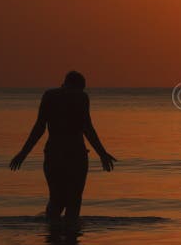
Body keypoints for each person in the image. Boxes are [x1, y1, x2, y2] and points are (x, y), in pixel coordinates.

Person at [10, 71, 116, 223]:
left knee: (56, 198)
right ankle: (70, 238)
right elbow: (87, 128)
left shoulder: (49, 95)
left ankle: (53, 237)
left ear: (64, 83)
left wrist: (23, 153)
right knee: (74, 199)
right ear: (80, 87)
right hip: (75, 154)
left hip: (54, 153)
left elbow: (39, 128)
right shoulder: (81, 97)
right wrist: (102, 153)